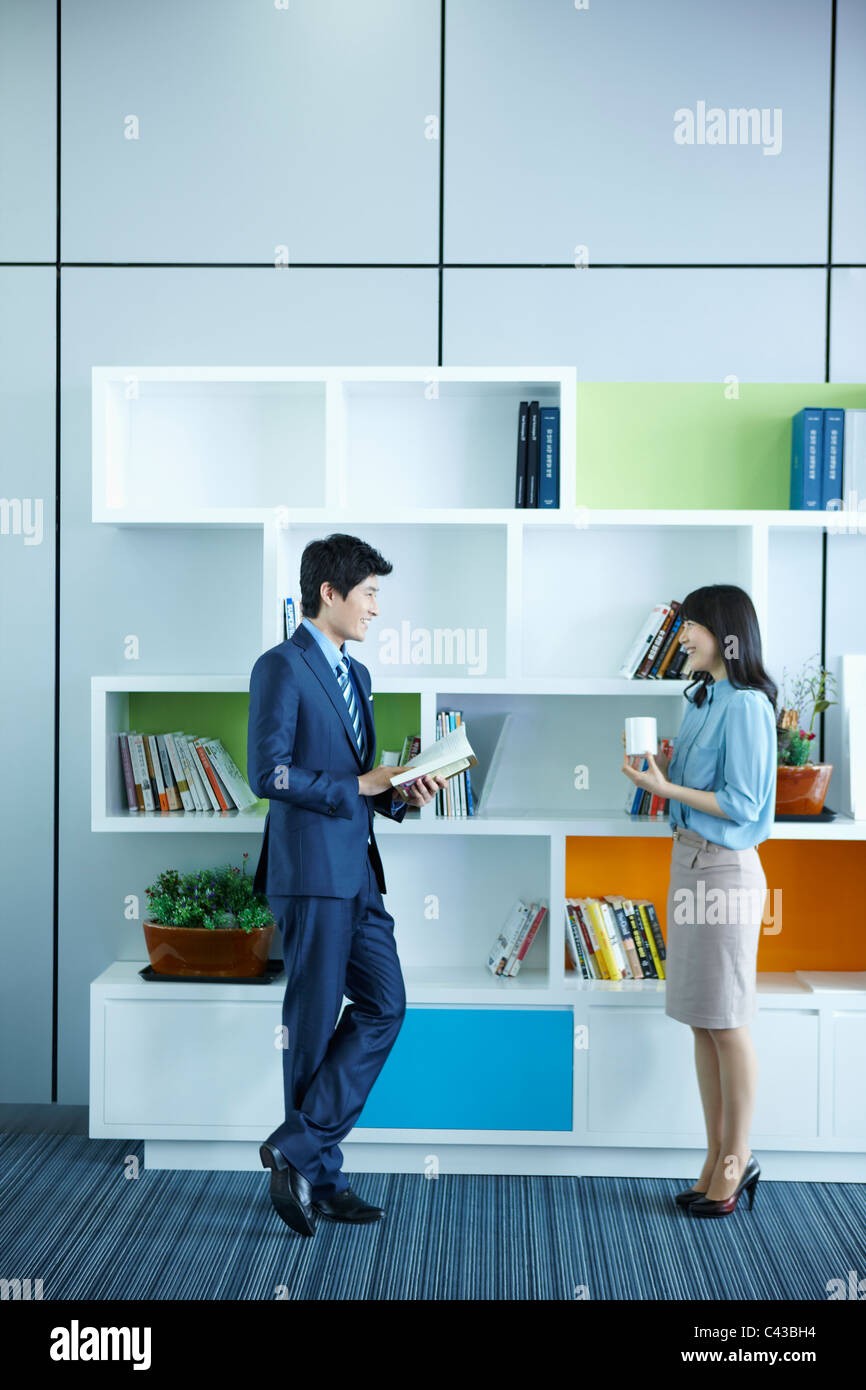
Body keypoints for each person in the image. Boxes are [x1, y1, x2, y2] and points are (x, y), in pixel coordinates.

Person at [247, 533, 446, 1236]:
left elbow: (360, 785)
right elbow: (266, 775)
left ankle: (299, 1151)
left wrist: (399, 796)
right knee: (308, 1029)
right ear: (328, 593)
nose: (375, 609)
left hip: (359, 874)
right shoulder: (281, 667)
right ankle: (319, 1179)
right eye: (368, 594)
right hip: (308, 876)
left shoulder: (355, 676)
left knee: (385, 1006)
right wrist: (361, 784)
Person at [622, 584, 778, 1218]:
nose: (681, 638)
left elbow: (744, 806)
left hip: (725, 872)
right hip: (689, 863)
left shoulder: (745, 706)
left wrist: (670, 784)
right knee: (702, 1020)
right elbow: (693, 792)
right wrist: (663, 778)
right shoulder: (703, 699)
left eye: (690, 627)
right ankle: (715, 1156)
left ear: (726, 635)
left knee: (729, 1023)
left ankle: (737, 1159)